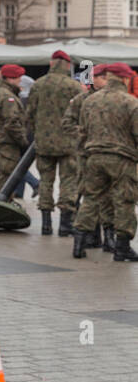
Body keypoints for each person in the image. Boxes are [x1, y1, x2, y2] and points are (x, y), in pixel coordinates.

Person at [71, 63, 138, 261]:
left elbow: (82, 131)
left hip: (93, 157)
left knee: (90, 198)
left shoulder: (90, 101)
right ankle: (122, 247)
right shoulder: (130, 102)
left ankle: (79, 244)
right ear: (124, 79)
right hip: (122, 159)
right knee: (124, 200)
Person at [26, 50, 81, 236]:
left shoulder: (38, 85)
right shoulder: (74, 86)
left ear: (51, 64)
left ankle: (46, 224)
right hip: (68, 143)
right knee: (69, 182)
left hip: (43, 143)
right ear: (67, 65)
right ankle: (65, 224)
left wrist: (37, 132)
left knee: (45, 182)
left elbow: (29, 114)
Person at [62, 79, 110, 242]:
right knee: (87, 194)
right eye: (103, 77)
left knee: (106, 197)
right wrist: (86, 133)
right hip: (86, 154)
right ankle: (87, 235)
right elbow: (67, 124)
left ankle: (105, 238)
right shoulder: (81, 100)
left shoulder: (116, 99)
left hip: (109, 154)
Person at [0, 63, 29, 199]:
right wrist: (23, 141)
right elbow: (11, 123)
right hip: (6, 140)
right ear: (10, 78)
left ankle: (2, 204)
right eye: (18, 77)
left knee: (4, 174)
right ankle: (2, 205)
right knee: (8, 177)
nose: (20, 80)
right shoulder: (7, 96)